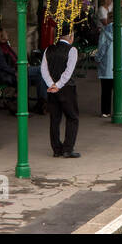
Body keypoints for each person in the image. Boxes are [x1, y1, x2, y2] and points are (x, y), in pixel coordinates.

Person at [41, 24, 81, 157]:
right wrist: (58, 84)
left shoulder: (48, 49)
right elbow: (68, 71)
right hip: (67, 88)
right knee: (72, 117)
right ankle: (68, 149)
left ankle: (56, 149)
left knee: (55, 119)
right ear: (70, 37)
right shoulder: (72, 50)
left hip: (51, 89)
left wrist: (51, 84)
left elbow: (44, 70)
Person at [94, 0, 122, 118]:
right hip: (121, 67)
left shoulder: (104, 32)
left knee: (106, 91)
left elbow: (101, 49)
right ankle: (120, 109)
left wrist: (98, 58)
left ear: (109, 18)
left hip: (106, 67)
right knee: (119, 90)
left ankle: (105, 111)